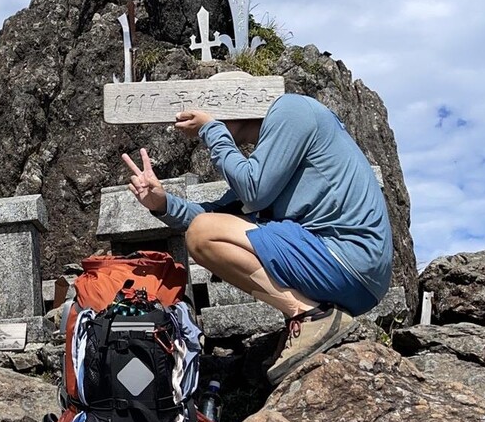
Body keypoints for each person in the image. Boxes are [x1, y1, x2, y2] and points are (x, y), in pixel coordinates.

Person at [122, 93, 392, 384]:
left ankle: (309, 315)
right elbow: (212, 219)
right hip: (353, 277)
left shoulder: (292, 109)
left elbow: (252, 191)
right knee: (203, 231)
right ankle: (309, 315)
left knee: (203, 233)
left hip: (347, 257)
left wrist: (211, 129)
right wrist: (161, 204)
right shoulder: (272, 158)